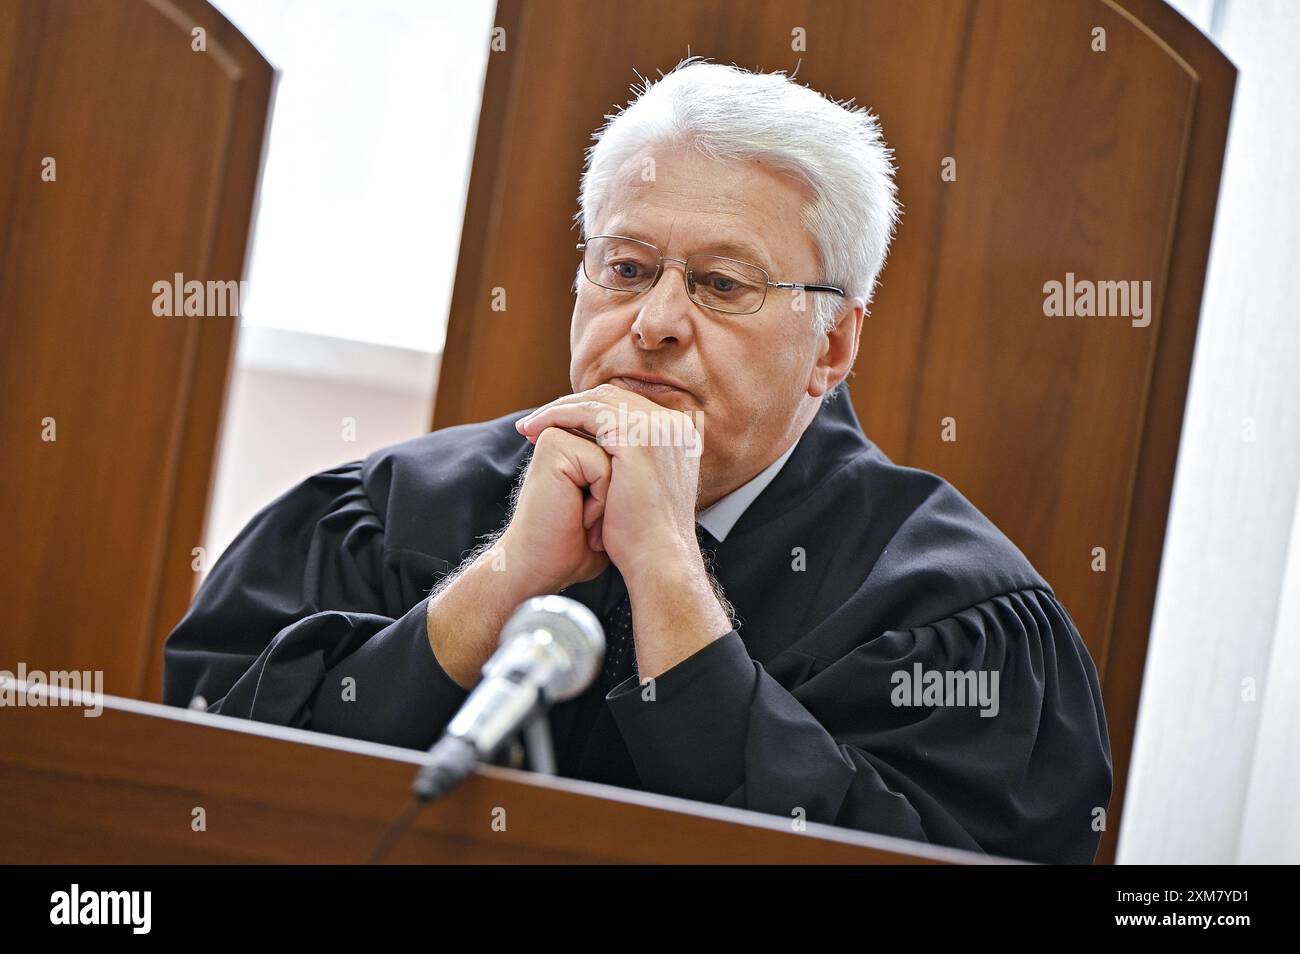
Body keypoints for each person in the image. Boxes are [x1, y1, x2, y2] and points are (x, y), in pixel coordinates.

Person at [163, 59, 1112, 864]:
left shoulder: (955, 618)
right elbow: (191, 802)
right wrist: (501, 581)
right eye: (625, 268)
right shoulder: (390, 508)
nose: (654, 322)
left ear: (832, 345)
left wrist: (665, 570)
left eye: (720, 284)